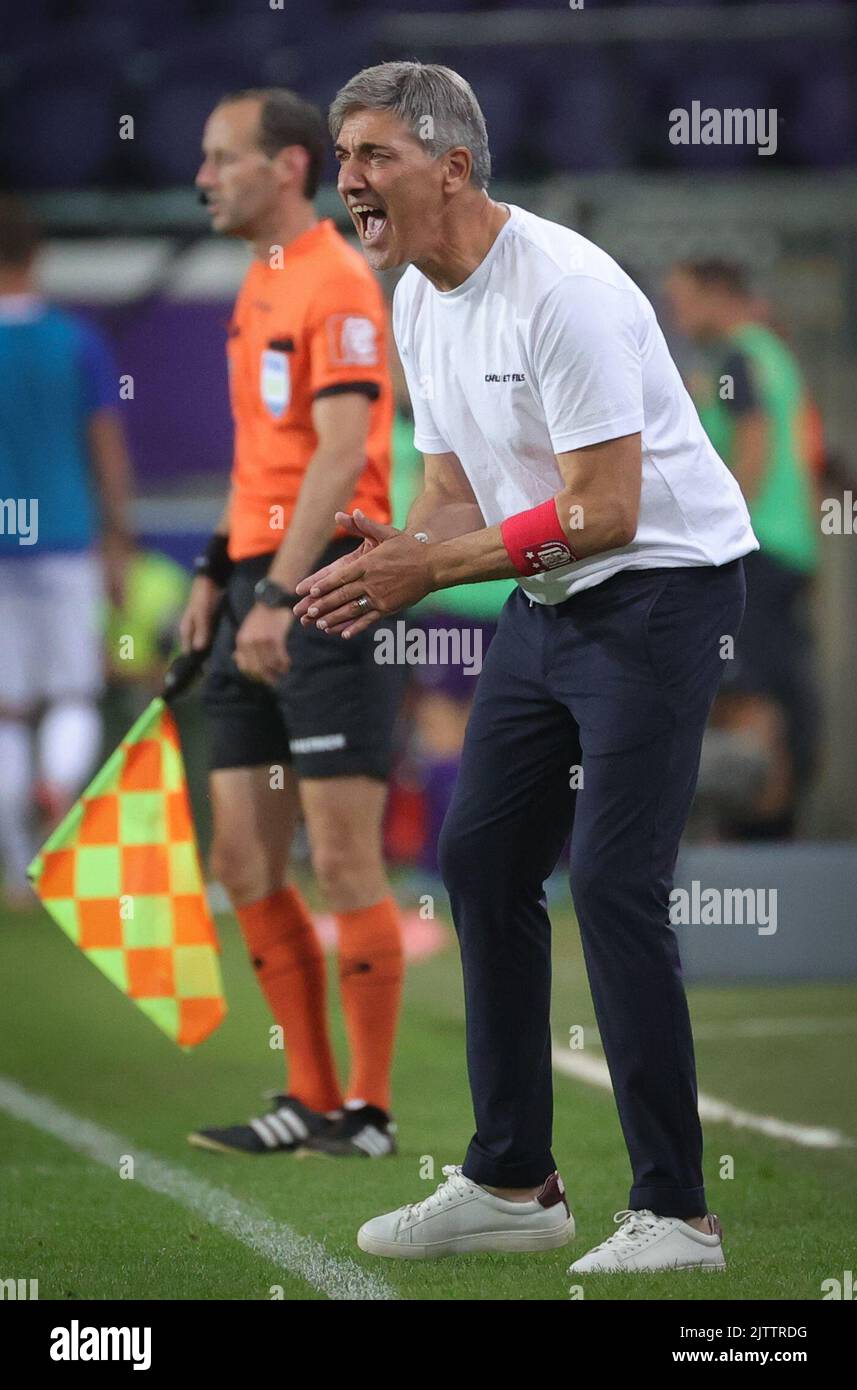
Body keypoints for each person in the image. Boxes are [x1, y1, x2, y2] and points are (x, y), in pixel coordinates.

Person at [295, 62, 758, 1268]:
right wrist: (394, 555)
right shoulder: (417, 296)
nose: (348, 179)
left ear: (451, 166)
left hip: (659, 590)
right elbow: (450, 492)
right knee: (481, 860)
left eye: (373, 154)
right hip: (553, 598)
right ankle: (511, 1183)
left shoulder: (564, 290)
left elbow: (605, 509)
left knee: (608, 879)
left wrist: (430, 569)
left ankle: (676, 1212)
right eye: (342, 158)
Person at [181, 89, 404, 1159]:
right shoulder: (259, 280)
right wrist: (215, 570)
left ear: (286, 167)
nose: (202, 179)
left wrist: (275, 594)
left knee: (345, 860)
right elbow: (262, 458)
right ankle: (308, 1099)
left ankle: (367, 1112)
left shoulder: (337, 281)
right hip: (254, 587)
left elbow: (339, 454)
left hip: (323, 591)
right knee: (241, 859)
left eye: (221, 158)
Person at [0, 196, 133, 908]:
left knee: (7, 709)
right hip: (65, 538)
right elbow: (106, 449)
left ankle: (15, 863)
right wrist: (118, 540)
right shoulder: (75, 340)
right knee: (74, 694)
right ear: (38, 254)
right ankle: (57, 798)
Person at [665, 260, 821, 838]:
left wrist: (718, 529)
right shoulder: (773, 354)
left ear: (717, 294)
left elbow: (753, 442)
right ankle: (771, 837)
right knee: (770, 686)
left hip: (753, 546)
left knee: (746, 696)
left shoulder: (738, 356)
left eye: (683, 299)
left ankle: (759, 844)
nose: (677, 314)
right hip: (787, 546)